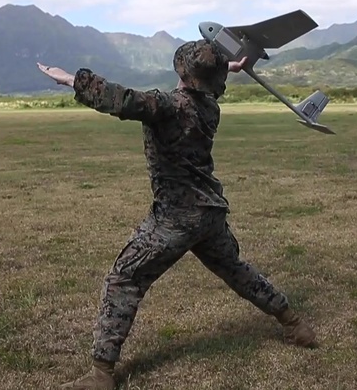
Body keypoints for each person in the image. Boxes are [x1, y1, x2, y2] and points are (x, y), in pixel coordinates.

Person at [37, 39, 316, 390]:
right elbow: (202, 85)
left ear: (183, 72)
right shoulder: (210, 107)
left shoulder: (167, 106)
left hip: (176, 217)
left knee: (124, 279)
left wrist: (69, 79)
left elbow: (120, 98)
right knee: (236, 271)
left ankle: (101, 375)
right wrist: (227, 68)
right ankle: (293, 323)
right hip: (209, 213)